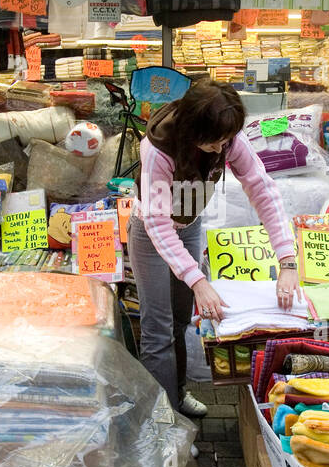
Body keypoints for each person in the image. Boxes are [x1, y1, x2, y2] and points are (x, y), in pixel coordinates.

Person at [128, 78, 299, 419]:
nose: (222, 150)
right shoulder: (158, 150)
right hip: (150, 234)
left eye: (226, 142)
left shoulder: (227, 138)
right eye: (214, 143)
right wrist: (198, 280)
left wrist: (288, 259)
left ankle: (175, 395)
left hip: (189, 225)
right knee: (157, 328)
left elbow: (262, 189)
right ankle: (163, 421)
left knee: (179, 320)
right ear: (192, 129)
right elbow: (158, 224)